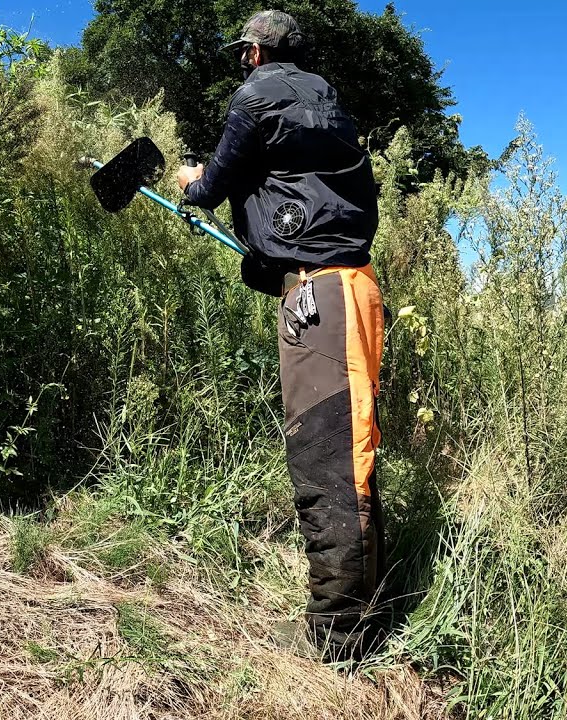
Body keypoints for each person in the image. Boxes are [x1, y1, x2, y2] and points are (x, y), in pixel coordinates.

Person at [176, 9, 385, 662]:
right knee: (350, 459)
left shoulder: (258, 95)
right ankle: (364, 615)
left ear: (257, 54)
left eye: (245, 53)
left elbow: (214, 183)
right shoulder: (327, 102)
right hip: (344, 289)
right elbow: (306, 202)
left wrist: (191, 188)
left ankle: (337, 643)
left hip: (322, 298)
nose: (244, 63)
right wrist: (266, 258)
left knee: (328, 464)